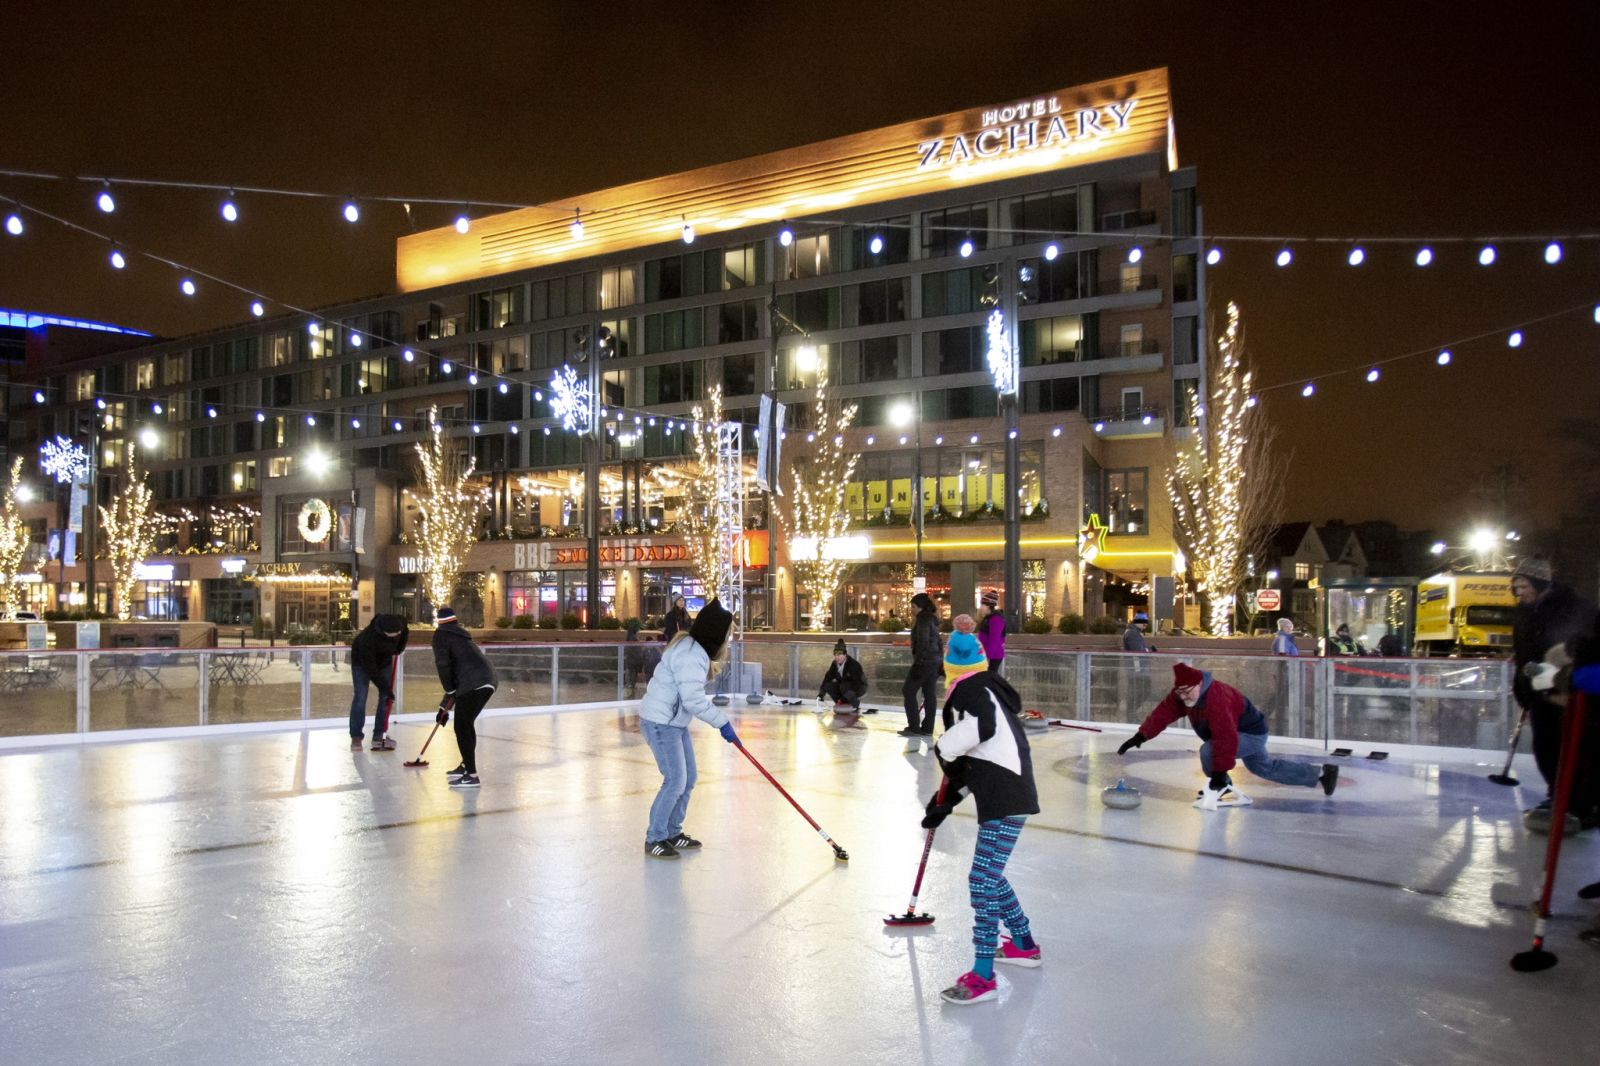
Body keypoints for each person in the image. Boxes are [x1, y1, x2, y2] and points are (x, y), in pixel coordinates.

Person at [920, 633, 1041, 1005]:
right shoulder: (987, 687)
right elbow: (982, 757)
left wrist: (944, 747)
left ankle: (984, 973)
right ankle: (1022, 943)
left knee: (981, 879)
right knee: (991, 874)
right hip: (1009, 794)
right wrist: (946, 801)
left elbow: (979, 731)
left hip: (1005, 797)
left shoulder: (971, 690)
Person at [1118, 661, 1339, 803]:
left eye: (1187, 691)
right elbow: (1163, 713)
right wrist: (1141, 736)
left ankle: (1222, 786)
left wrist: (1217, 775)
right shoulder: (1184, 694)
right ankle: (1322, 774)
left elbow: (1226, 738)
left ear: (1198, 685)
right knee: (1264, 768)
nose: (1183, 697)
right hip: (1244, 734)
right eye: (1179, 692)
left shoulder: (1216, 698)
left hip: (1251, 734)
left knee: (1209, 751)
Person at [638, 596, 739, 859]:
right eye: (727, 634)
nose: (728, 640)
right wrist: (723, 723)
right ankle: (655, 837)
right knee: (675, 780)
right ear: (716, 633)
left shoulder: (694, 650)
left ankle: (672, 831)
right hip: (661, 723)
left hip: (673, 723)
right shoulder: (691, 655)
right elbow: (693, 700)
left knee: (688, 778)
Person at [1511, 556, 1595, 831]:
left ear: (1539, 583)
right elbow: (1522, 654)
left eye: (1523, 586)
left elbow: (1576, 649)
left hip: (1567, 693)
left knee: (1572, 748)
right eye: (1516, 586)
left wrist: (1564, 683)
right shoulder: (1523, 612)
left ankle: (1579, 804)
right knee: (1545, 747)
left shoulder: (1571, 607)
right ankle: (1558, 796)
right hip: (1539, 691)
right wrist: (1523, 685)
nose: (1518, 592)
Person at [431, 605, 497, 789]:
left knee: (462, 726)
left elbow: (444, 666)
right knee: (466, 724)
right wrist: (444, 706)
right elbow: (457, 673)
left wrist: (449, 692)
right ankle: (466, 766)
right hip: (488, 679)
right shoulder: (461, 635)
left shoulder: (441, 635)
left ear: (439, 621)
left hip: (473, 683)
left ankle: (472, 775)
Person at [348, 613, 408, 751]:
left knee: (385, 699)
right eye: (393, 636)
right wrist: (385, 687)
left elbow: (404, 632)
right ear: (384, 632)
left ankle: (379, 735)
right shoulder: (366, 640)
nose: (396, 636)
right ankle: (356, 737)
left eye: (398, 633)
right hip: (362, 664)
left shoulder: (400, 623)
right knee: (360, 697)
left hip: (384, 662)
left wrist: (399, 647)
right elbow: (371, 669)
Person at [899, 592, 945, 737]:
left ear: (920, 607)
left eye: (913, 606)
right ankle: (927, 727)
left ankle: (914, 726)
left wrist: (919, 662)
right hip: (934, 661)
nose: (911, 609)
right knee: (929, 693)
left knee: (908, 690)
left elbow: (923, 642)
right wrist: (939, 660)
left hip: (924, 661)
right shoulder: (932, 619)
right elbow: (938, 641)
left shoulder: (923, 619)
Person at [818, 639, 868, 728]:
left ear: (845, 655)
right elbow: (827, 678)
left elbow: (857, 683)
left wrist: (844, 699)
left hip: (859, 687)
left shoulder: (853, 664)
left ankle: (854, 704)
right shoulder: (834, 664)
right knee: (828, 686)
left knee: (844, 686)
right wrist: (821, 694)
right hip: (844, 688)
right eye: (835, 655)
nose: (837, 657)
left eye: (840, 655)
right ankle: (841, 703)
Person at [1122, 612, 1155, 708]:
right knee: (1141, 692)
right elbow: (1138, 651)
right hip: (1138, 670)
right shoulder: (1133, 633)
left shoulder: (1133, 632)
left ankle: (1132, 714)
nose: (1146, 625)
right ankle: (1131, 714)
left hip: (1138, 669)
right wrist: (1148, 651)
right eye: (1145, 623)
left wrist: (1147, 650)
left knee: (1139, 693)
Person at [976, 590, 1006, 673]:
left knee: (989, 677)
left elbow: (994, 638)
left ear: (989, 606)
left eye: (983, 604)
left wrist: (987, 655)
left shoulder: (995, 619)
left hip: (993, 655)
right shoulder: (989, 618)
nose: (981, 607)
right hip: (988, 654)